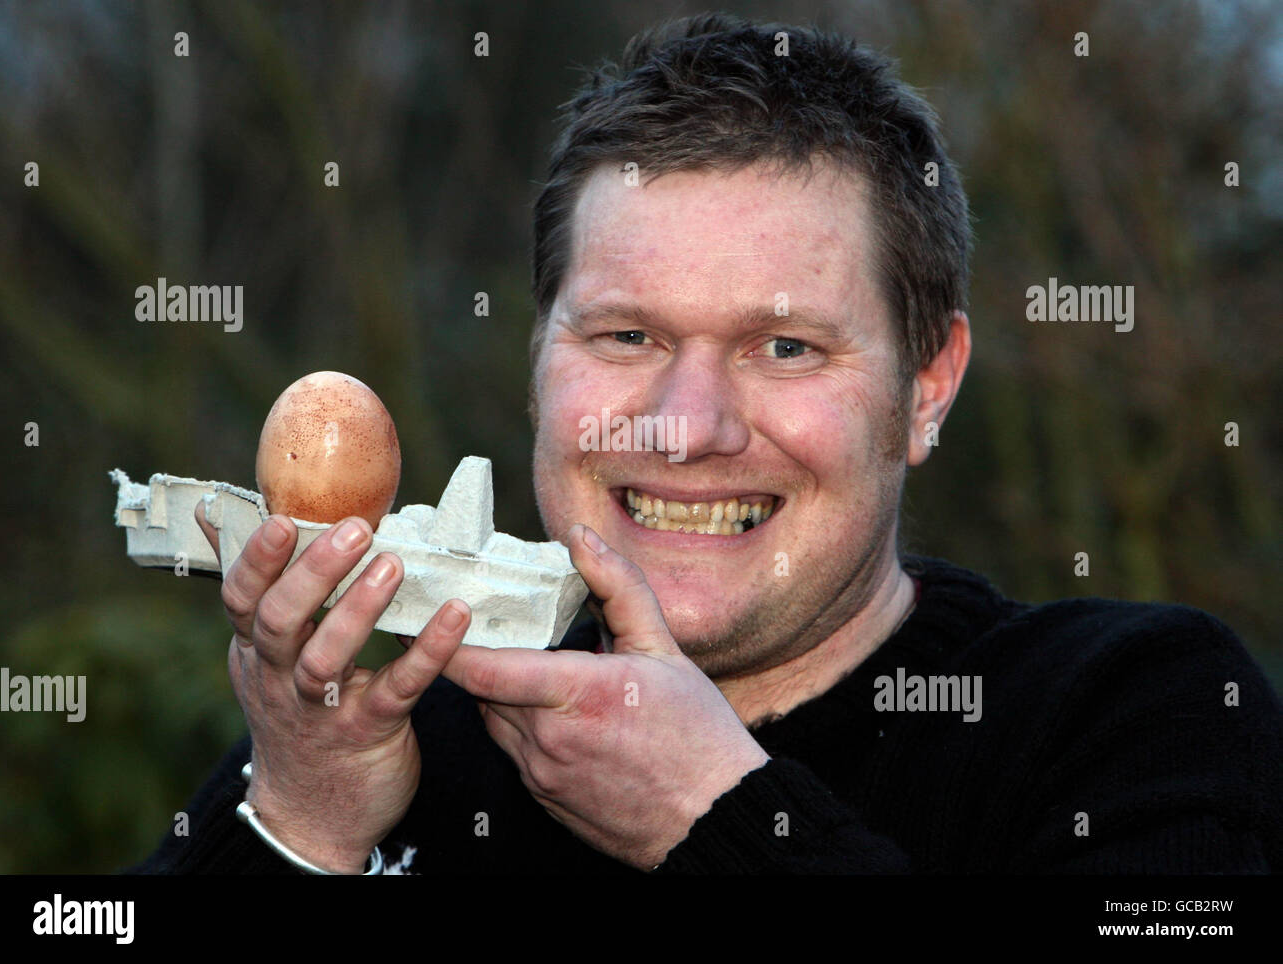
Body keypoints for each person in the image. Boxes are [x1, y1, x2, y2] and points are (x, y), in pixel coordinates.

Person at [129, 13, 1282, 875]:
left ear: (927, 387)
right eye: (627, 334)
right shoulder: (386, 727)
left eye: (783, 347)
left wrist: (719, 819)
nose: (683, 427)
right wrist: (302, 826)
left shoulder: (1136, 716)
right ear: (536, 366)